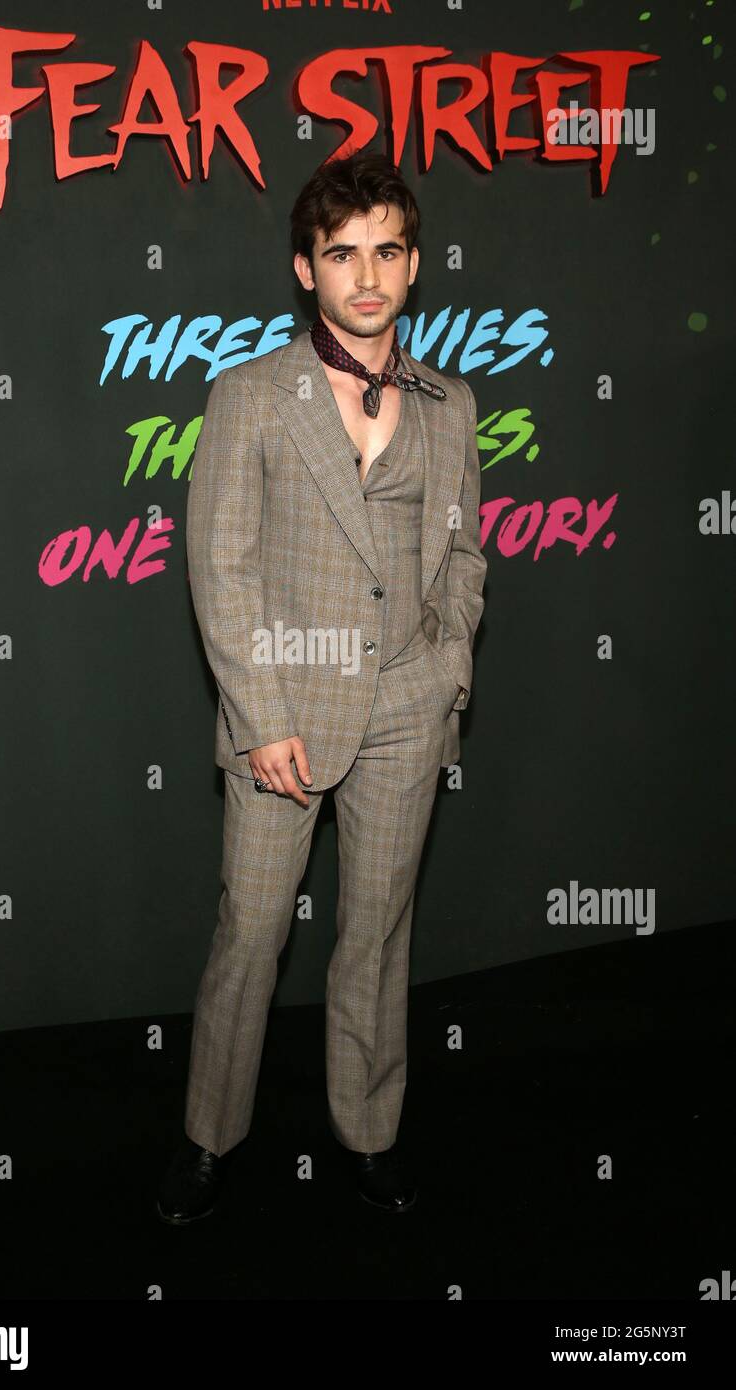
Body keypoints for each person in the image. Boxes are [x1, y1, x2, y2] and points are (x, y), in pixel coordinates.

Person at [156, 149, 486, 1223]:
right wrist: (260, 719)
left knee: (377, 931)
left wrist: (448, 669)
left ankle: (371, 1130)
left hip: (404, 701)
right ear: (306, 268)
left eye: (385, 250)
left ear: (413, 262)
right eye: (341, 254)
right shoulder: (251, 395)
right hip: (284, 712)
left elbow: (464, 555)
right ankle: (209, 1137)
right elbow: (222, 566)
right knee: (251, 931)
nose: (365, 276)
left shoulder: (450, 404)